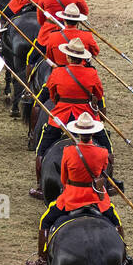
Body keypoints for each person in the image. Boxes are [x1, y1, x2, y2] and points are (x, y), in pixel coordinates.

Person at [26, 112, 131, 265]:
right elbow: (103, 173)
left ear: (78, 133)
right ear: (92, 133)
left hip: (71, 197)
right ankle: (123, 259)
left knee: (45, 221)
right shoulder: (103, 153)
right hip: (97, 198)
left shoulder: (68, 152)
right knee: (115, 220)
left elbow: (64, 178)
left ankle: (42, 260)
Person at [33, 39, 108, 198]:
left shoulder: (57, 72)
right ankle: (108, 181)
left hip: (61, 116)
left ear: (67, 57)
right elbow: (98, 94)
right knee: (107, 147)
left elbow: (53, 96)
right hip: (85, 115)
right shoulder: (92, 73)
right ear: (82, 57)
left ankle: (40, 186)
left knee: (42, 149)